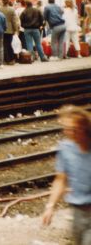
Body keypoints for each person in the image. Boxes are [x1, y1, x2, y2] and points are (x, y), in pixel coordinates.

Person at [42, 105, 91, 245]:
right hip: (78, 211)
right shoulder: (65, 149)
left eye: (74, 129)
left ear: (85, 128)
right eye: (66, 129)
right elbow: (61, 180)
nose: (69, 133)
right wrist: (50, 206)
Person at [0, 0, 20, 65]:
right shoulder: (12, 9)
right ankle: (10, 59)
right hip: (9, 29)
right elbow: (14, 21)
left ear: (2, 1)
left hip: (1, 29)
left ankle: (4, 59)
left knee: (3, 45)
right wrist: (16, 30)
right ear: (8, 1)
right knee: (9, 44)